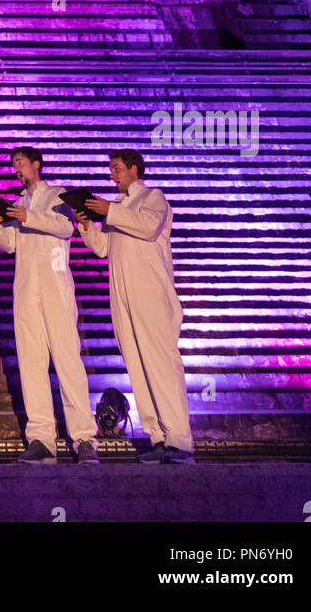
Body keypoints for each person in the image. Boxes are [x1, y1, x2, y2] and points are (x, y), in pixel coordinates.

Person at [75, 150, 194, 464]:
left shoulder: (153, 197)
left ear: (134, 169)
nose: (112, 175)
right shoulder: (118, 208)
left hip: (150, 293)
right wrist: (88, 226)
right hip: (123, 295)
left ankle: (179, 440)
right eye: (110, 169)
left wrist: (109, 212)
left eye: (117, 168)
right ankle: (157, 437)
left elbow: (148, 227)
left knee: (161, 364)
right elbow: (104, 249)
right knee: (138, 369)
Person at [0, 147, 99, 463]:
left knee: (67, 361)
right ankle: (42, 438)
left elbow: (65, 227)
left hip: (55, 286)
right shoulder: (18, 203)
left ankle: (84, 438)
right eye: (13, 163)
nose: (16, 167)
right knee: (31, 363)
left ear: (37, 164)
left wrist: (27, 216)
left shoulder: (58, 195)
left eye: (20, 162)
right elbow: (10, 244)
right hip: (25, 290)